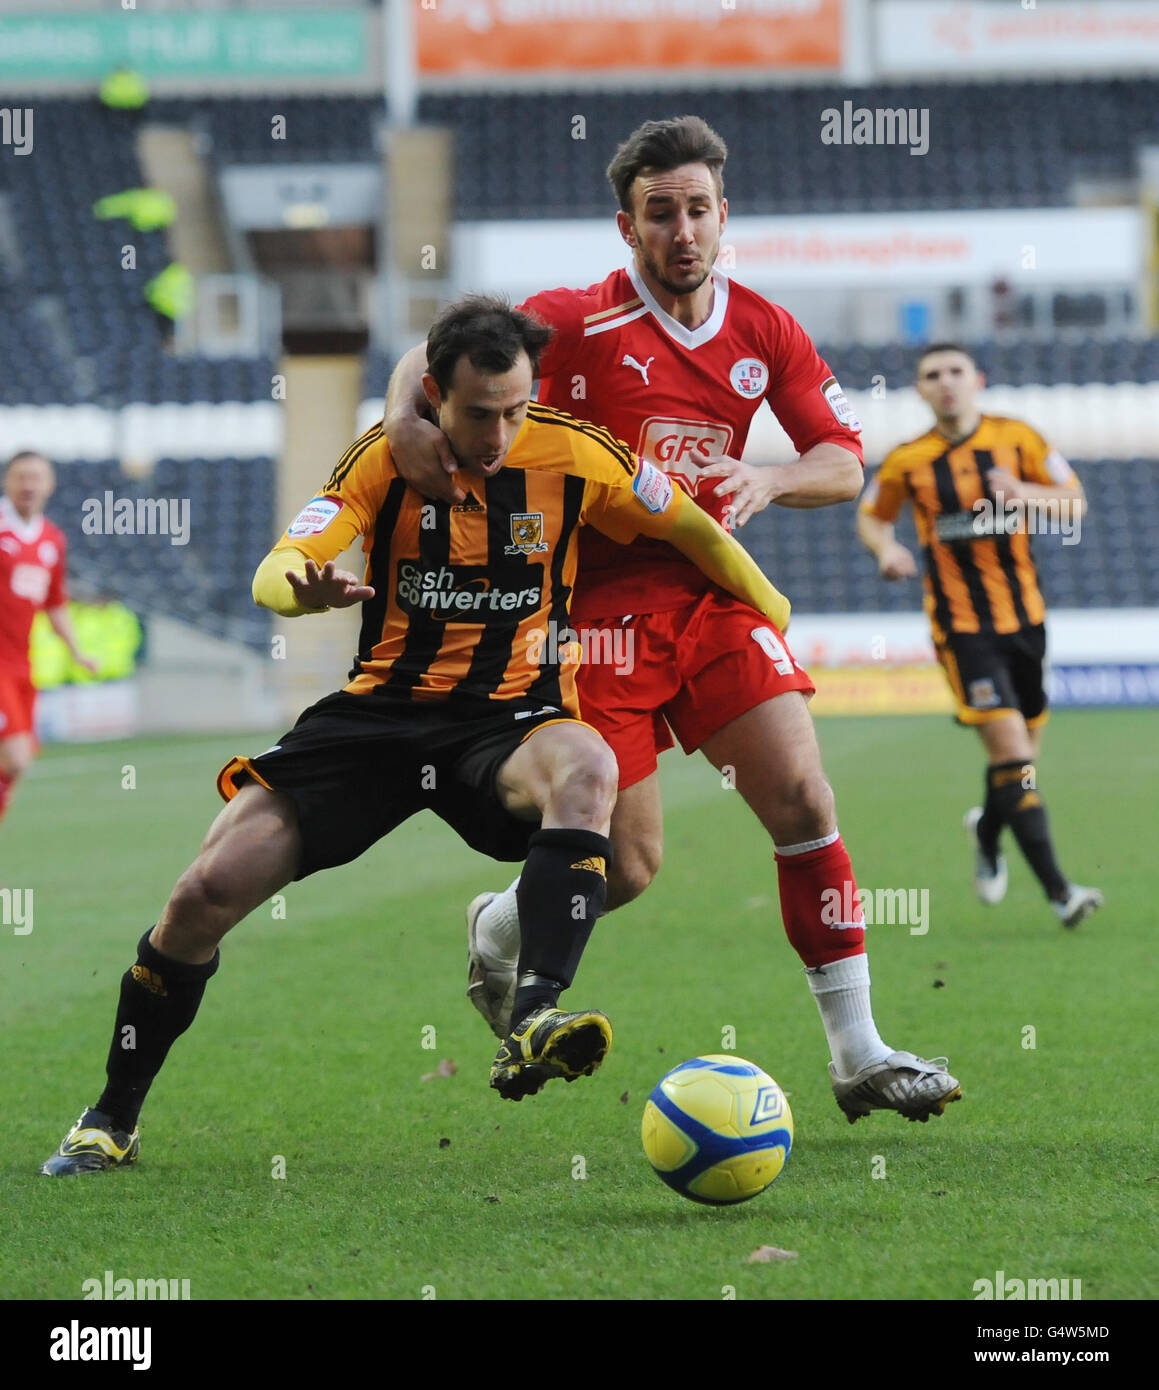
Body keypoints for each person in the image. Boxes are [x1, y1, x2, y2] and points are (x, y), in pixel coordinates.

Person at [40, 295, 793, 1175]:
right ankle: (110, 1118)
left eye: (516, 410)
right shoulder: (384, 458)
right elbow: (278, 567)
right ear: (433, 393)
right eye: (481, 414)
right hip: (377, 718)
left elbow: (692, 528)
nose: (501, 434)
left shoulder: (582, 455)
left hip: (504, 720)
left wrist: (770, 610)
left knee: (586, 761)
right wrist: (302, 587)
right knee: (203, 893)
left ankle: (535, 1014)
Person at [384, 118, 961, 1125]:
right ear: (628, 225)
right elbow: (426, 355)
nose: (682, 230)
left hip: (709, 597)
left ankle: (858, 1053)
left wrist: (770, 475)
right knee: (630, 865)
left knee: (804, 801)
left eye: (698, 210)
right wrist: (402, 422)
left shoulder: (765, 329)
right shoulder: (568, 322)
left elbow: (841, 457)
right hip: (592, 620)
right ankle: (501, 929)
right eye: (661, 214)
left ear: (721, 216)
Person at [857, 343, 1103, 928]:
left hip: (1027, 622)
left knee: (1021, 768)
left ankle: (987, 833)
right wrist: (886, 547)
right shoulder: (907, 460)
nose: (945, 383)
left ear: (977, 380)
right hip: (963, 632)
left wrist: (1027, 494)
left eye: (955, 372)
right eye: (932, 375)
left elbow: (1074, 504)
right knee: (1014, 757)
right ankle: (1061, 893)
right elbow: (871, 514)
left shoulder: (1019, 439)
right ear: (919, 390)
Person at [0, 452, 97, 830]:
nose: (28, 485)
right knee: (17, 758)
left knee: (16, 764)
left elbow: (55, 603)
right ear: (7, 481)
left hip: (21, 666)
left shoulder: (52, 540)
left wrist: (78, 652)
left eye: (36, 478)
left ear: (50, 485)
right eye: (21, 477)